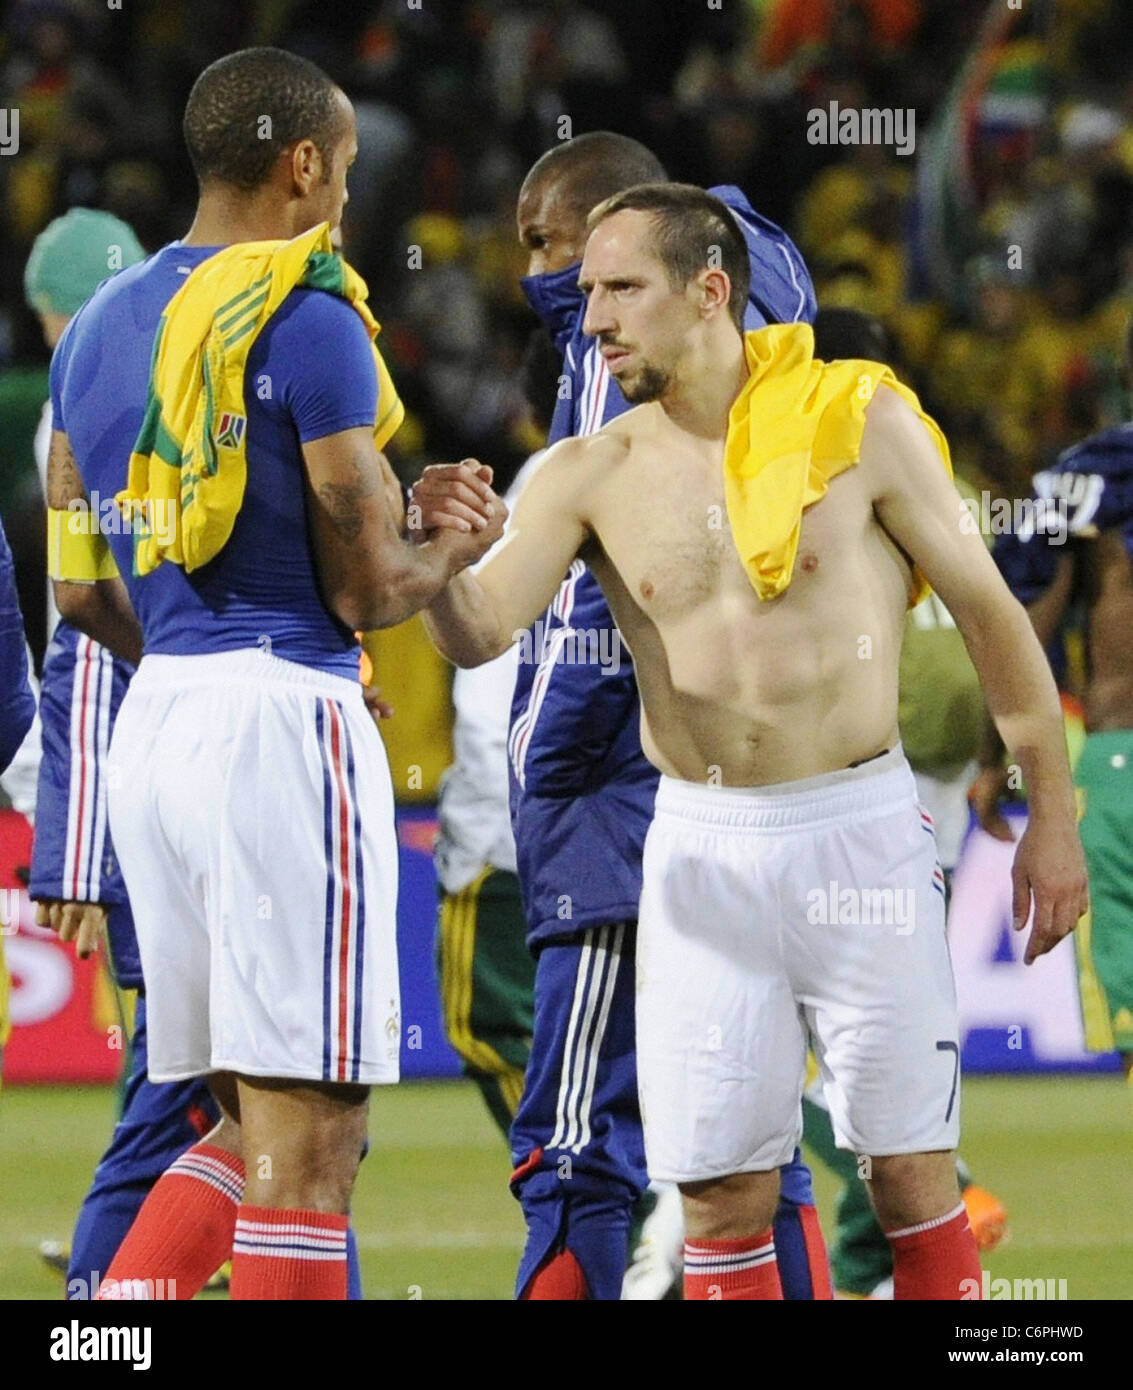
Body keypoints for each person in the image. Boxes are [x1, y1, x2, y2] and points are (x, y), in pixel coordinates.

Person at [413, 182, 1088, 1300]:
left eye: (620, 288)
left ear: (709, 290)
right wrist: (438, 569)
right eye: (586, 294)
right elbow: (483, 631)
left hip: (859, 831)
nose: (594, 321)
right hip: (696, 846)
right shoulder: (588, 471)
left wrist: (1048, 815)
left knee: (910, 1175)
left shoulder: (857, 420)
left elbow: (989, 613)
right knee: (719, 1191)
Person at [48, 46, 502, 1301]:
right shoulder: (308, 315)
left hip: (162, 725)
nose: (348, 197)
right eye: (346, 170)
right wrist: (457, 533)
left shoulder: (91, 334)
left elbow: (83, 591)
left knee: (229, 1119)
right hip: (278, 722)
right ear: (304, 163)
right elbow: (368, 589)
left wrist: (199, 660)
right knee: (313, 1140)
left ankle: (105, 1335)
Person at [504, 133, 827, 1302]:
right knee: (754, 1149)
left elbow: (596, 620)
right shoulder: (761, 326)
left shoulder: (627, 355)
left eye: (556, 248)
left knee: (577, 1146)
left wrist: (545, 779)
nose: (553, 284)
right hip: (762, 795)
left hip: (616, 801)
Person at [801, 307, 1008, 1298]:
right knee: (850, 1019)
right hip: (846, 786)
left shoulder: (926, 478)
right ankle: (922, 1197)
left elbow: (998, 634)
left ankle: (868, 1254)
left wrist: (998, 755)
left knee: (896, 1012)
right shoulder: (798, 477)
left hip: (930, 785)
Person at [979, 314, 1133, 1083]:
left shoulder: (1087, 479)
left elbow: (1020, 621)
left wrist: (988, 757)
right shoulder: (1094, 478)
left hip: (1120, 761)